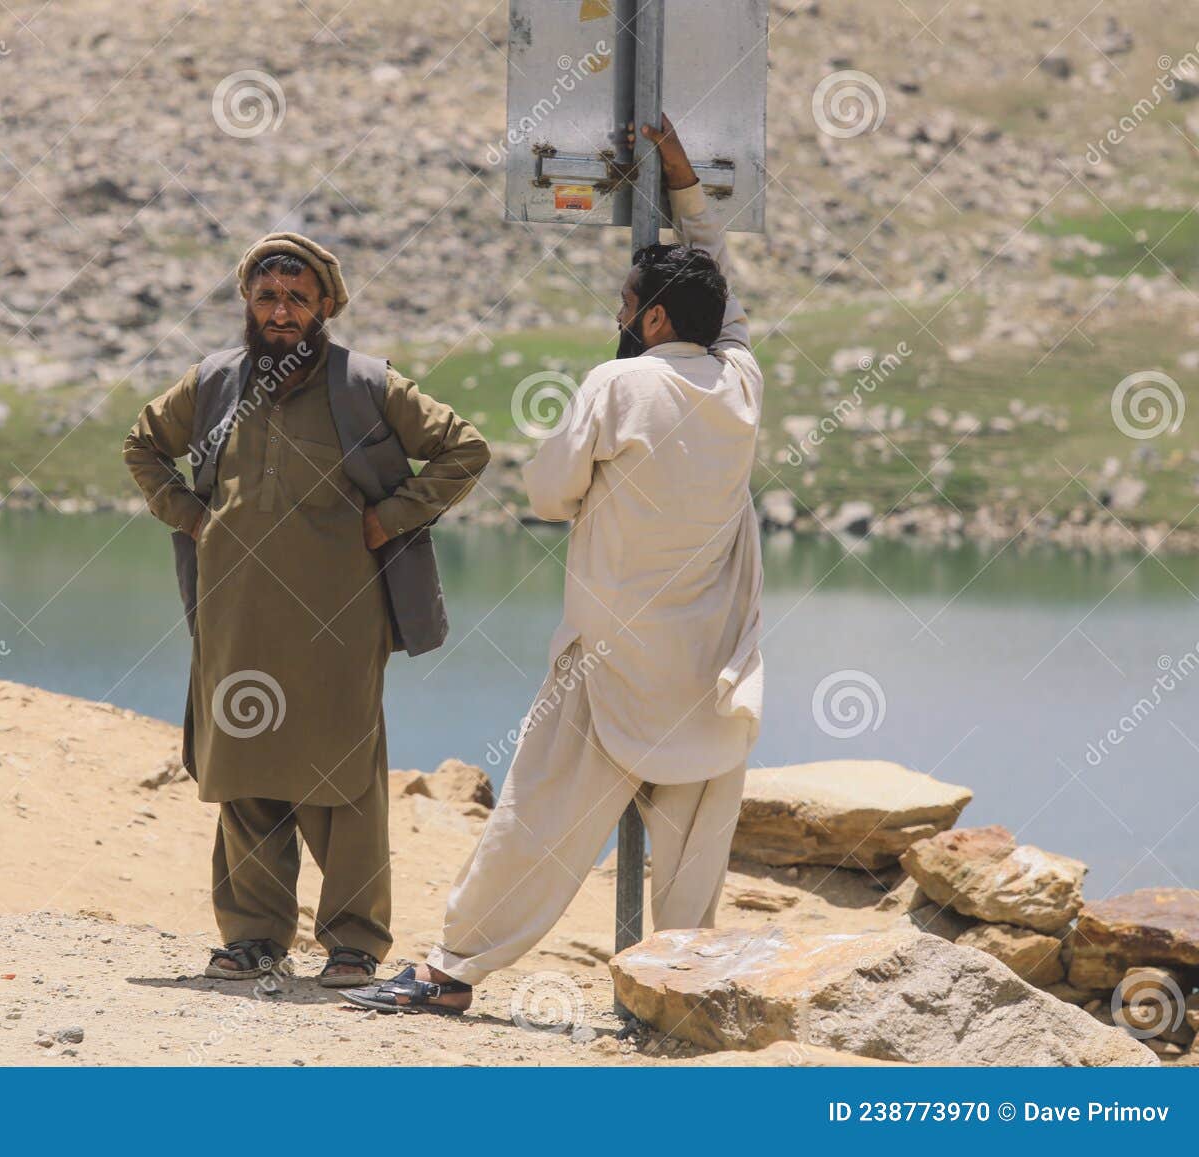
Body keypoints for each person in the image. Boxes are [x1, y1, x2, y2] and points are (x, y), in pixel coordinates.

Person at [346, 113, 763, 1014]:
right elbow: (718, 280)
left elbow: (547, 491)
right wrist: (683, 181)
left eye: (626, 304)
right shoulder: (740, 381)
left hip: (610, 658)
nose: (619, 315)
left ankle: (449, 970)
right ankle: (676, 1000)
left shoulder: (619, 383)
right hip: (712, 666)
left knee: (537, 821)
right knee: (693, 856)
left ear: (650, 318)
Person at [122, 232, 489, 987]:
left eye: (296, 298)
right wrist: (189, 515)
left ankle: (353, 943)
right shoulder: (214, 381)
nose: (281, 311)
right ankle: (254, 937)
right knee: (246, 767)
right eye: (267, 298)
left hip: (341, 617)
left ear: (325, 304)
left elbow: (465, 450)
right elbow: (142, 445)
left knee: (342, 772)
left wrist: (391, 516)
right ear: (247, 306)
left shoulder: (367, 383)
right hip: (236, 615)